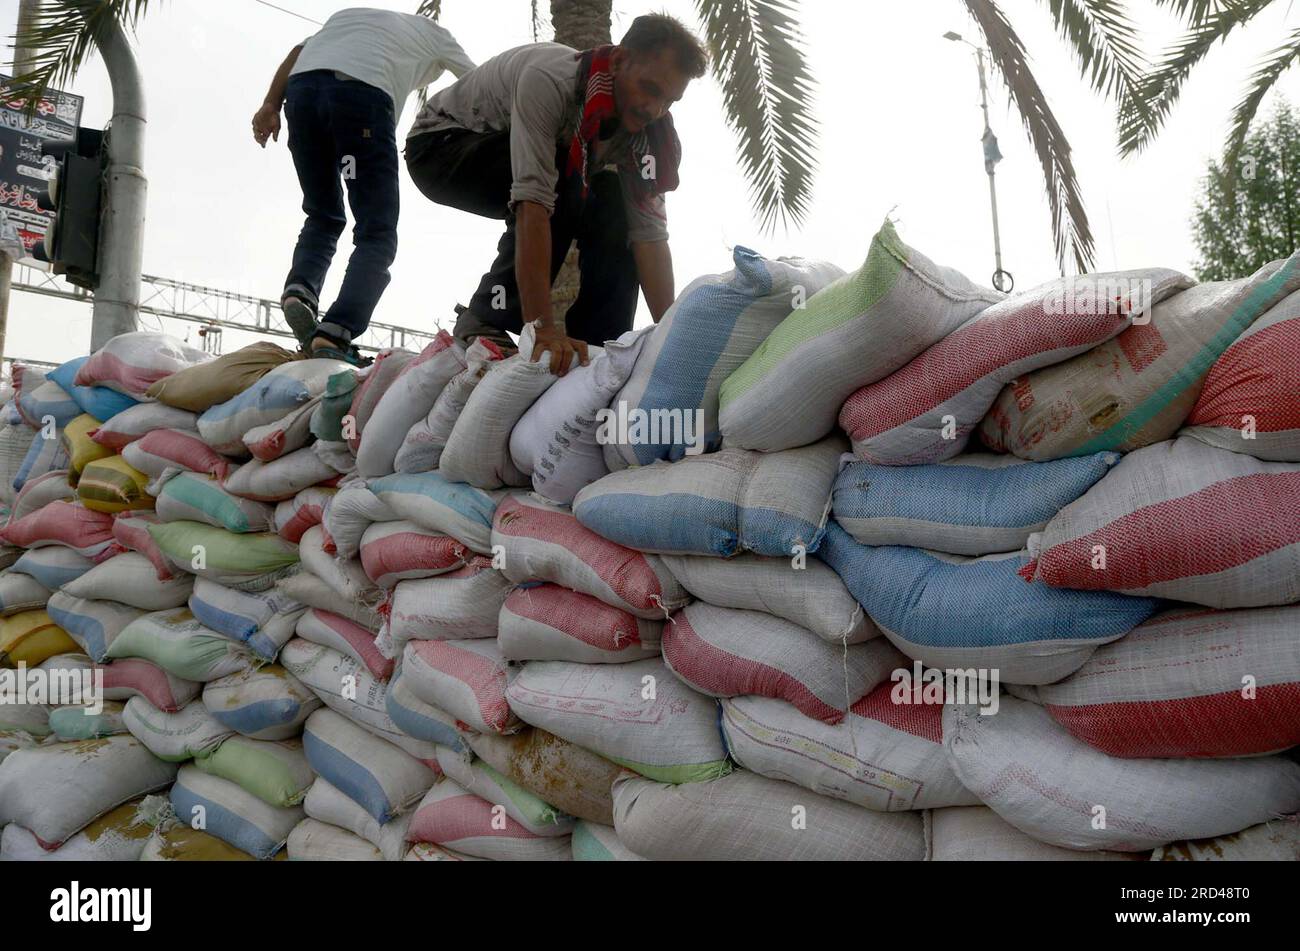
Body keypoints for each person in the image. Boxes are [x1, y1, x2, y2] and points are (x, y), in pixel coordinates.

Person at [405, 14, 708, 375]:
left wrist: (671, 341)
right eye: (650, 89)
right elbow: (534, 205)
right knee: (565, 174)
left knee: (612, 202)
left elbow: (650, 239)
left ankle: (603, 343)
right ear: (618, 60)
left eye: (670, 101)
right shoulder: (552, 80)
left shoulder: (645, 136)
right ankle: (485, 318)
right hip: (441, 147)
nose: (654, 109)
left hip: (548, 170)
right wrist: (542, 331)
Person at [252, 7, 474, 365]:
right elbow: (481, 80)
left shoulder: (348, 17)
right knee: (377, 231)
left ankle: (301, 290)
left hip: (303, 93)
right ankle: (336, 331)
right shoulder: (437, 35)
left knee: (322, 214)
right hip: (362, 101)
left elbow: (297, 53)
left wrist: (269, 105)